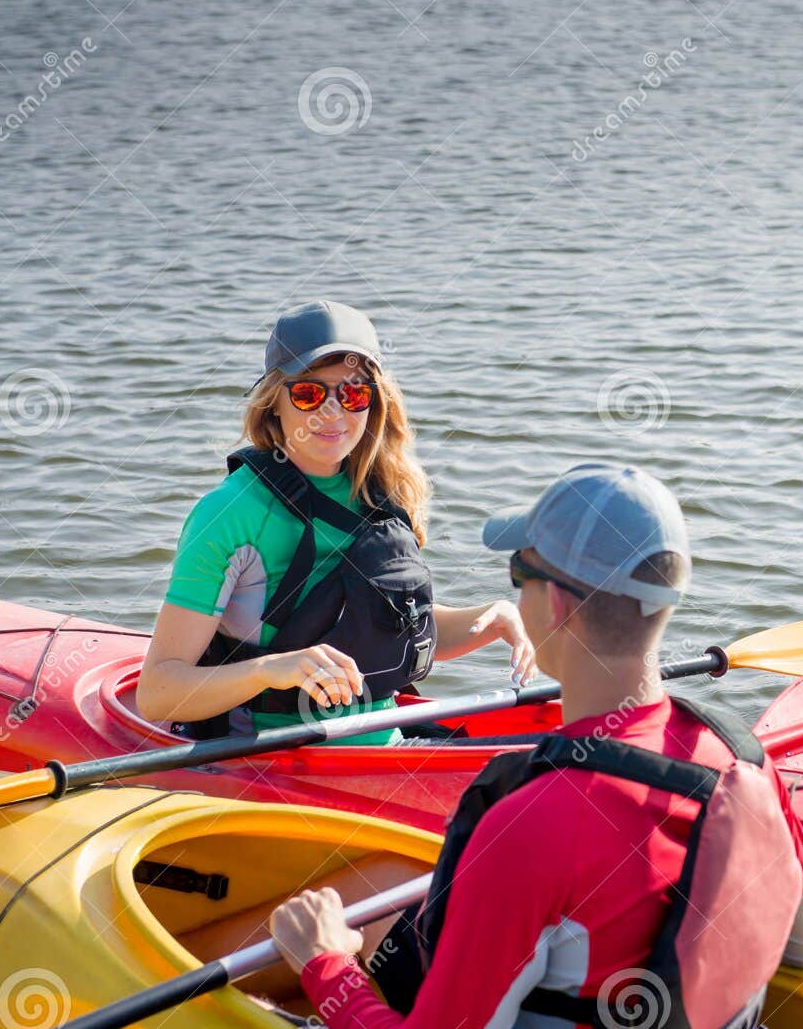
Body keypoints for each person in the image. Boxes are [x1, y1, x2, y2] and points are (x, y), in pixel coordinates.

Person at [269, 463, 803, 1029]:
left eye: (520, 572)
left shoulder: (530, 829)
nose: (517, 590)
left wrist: (325, 963)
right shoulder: (741, 761)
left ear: (558, 603)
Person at [137, 301, 536, 745]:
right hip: (273, 763)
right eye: (308, 394)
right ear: (274, 403)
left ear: (374, 403)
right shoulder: (228, 515)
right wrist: (273, 670)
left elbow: (380, 631)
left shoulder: (378, 494)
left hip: (387, 744)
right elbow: (157, 693)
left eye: (352, 394)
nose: (333, 412)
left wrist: (495, 617)